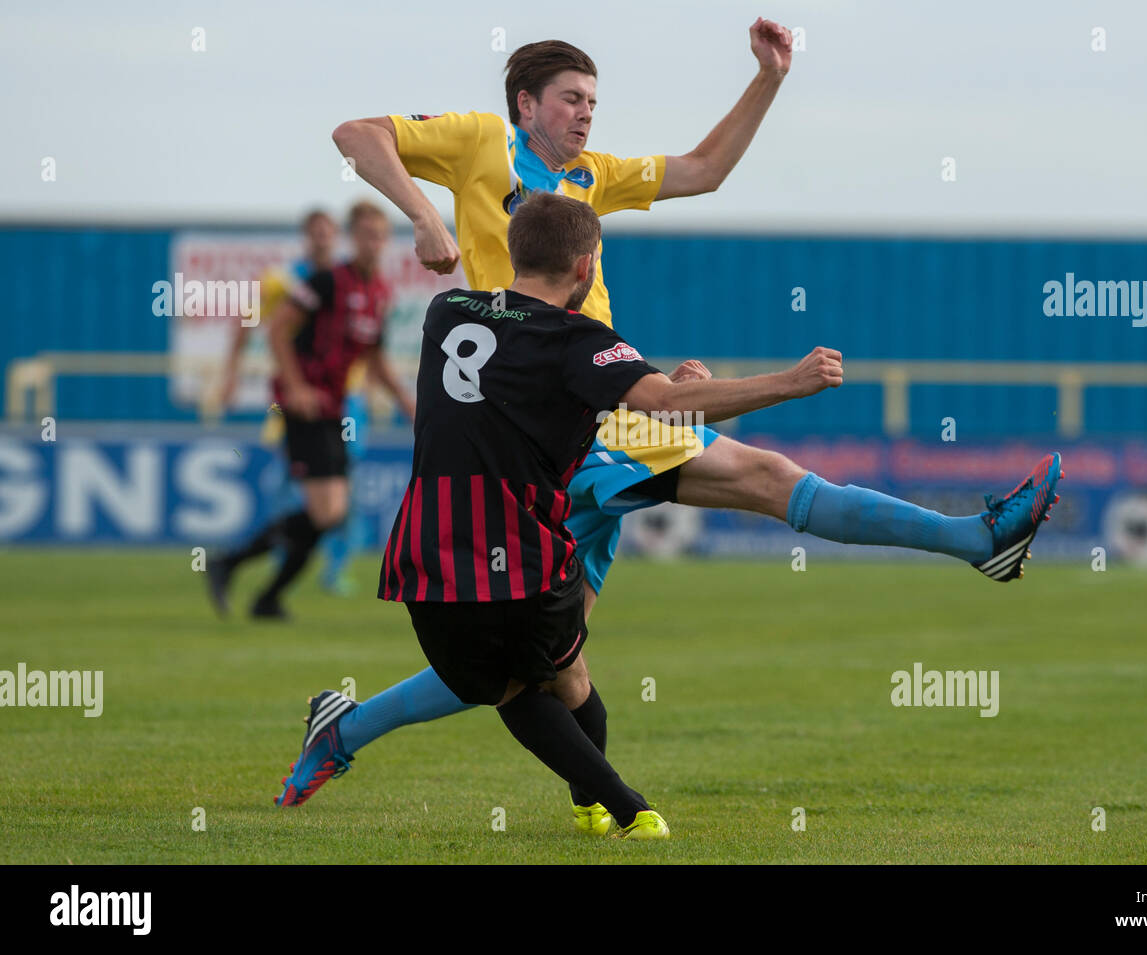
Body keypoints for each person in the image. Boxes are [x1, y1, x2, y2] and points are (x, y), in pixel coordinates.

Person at [276, 28, 1063, 807]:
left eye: (593, 101)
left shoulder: (592, 174)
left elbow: (705, 169)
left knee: (551, 661)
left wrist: (768, 79)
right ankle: (975, 538)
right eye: (571, 99)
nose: (586, 114)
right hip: (545, 419)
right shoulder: (481, 142)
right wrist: (422, 213)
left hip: (598, 399)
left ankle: (343, 732)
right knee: (728, 504)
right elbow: (356, 134)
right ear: (527, 105)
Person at [286, 192, 844, 836]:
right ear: (586, 267)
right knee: (517, 687)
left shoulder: (447, 311)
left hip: (428, 539)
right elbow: (652, 400)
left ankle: (591, 804)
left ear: (516, 253)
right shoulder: (578, 340)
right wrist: (790, 381)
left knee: (562, 680)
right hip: (514, 546)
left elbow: (546, 379)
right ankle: (630, 809)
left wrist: (666, 387)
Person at [208, 201, 416, 619]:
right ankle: (237, 569)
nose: (372, 242)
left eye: (379, 235)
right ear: (351, 238)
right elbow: (278, 329)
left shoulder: (379, 295)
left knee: (331, 514)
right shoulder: (325, 282)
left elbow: (375, 358)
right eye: (364, 234)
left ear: (387, 241)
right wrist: (297, 386)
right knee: (327, 511)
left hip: (335, 408)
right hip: (303, 406)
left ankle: (256, 588)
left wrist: (408, 402)